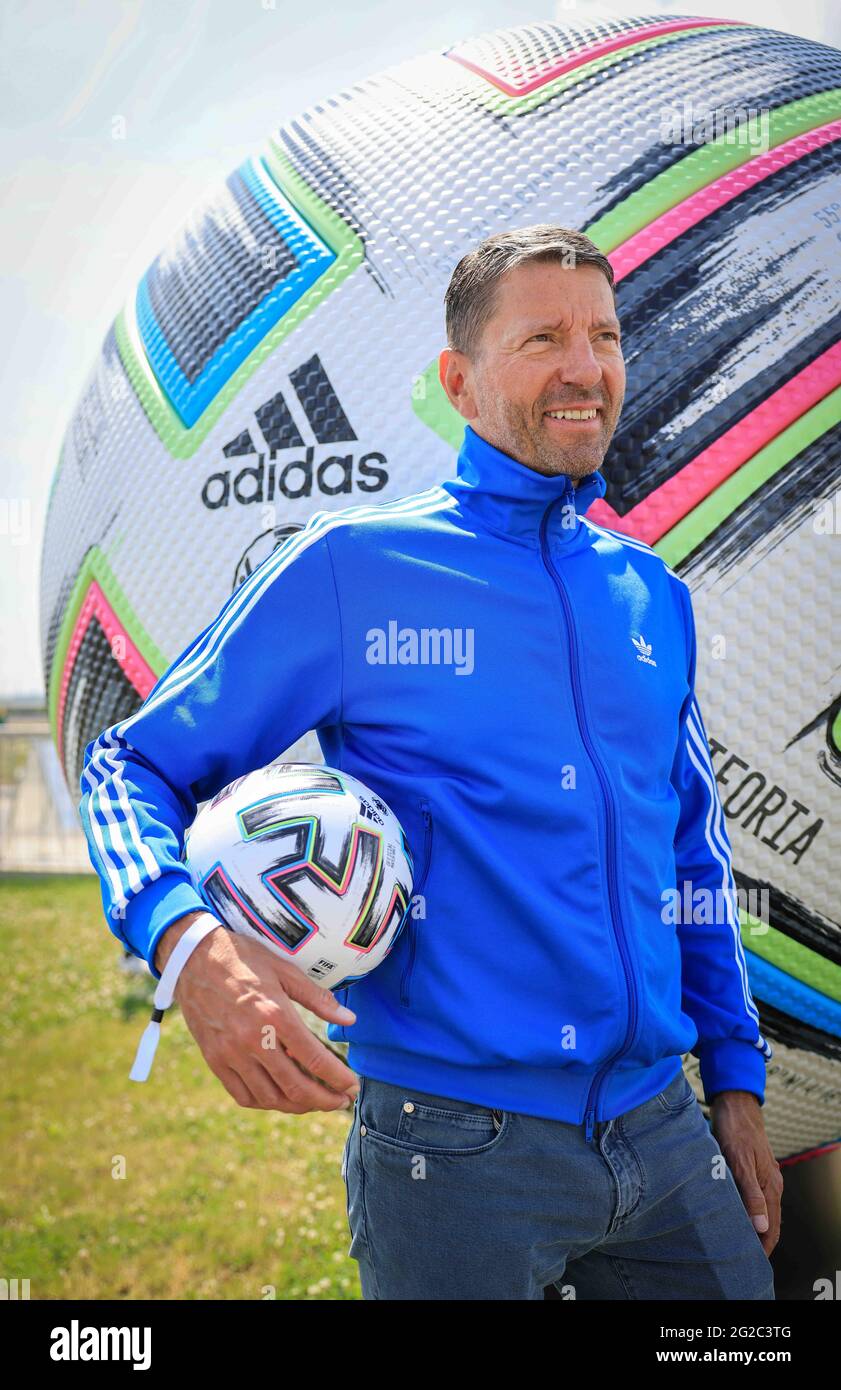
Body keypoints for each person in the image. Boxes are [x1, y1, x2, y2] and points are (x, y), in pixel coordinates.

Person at [79, 224, 781, 1300]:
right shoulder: (355, 571)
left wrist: (731, 1077)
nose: (586, 368)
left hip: (664, 1131)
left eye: (603, 335)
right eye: (542, 337)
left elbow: (688, 849)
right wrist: (192, 952)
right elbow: (130, 765)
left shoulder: (652, 596)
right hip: (451, 1152)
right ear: (458, 381)